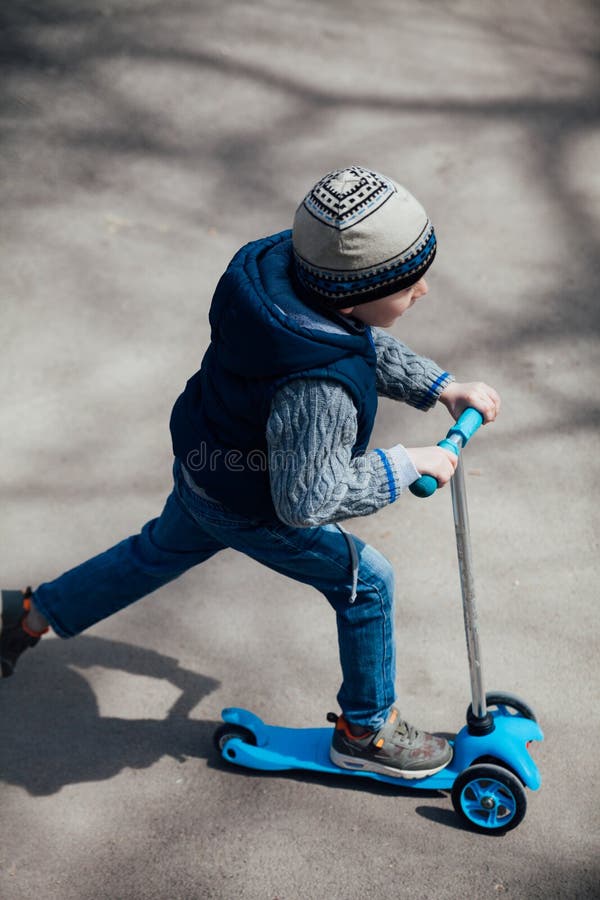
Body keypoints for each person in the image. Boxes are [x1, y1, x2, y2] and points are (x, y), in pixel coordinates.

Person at [1, 166, 500, 779]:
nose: (423, 292)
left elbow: (359, 344)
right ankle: (365, 730)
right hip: (251, 499)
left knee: (156, 551)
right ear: (352, 297)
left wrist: (441, 388)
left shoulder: (278, 281)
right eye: (410, 284)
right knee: (366, 583)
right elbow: (306, 501)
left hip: (208, 467)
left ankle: (29, 614)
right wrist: (405, 465)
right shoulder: (317, 388)